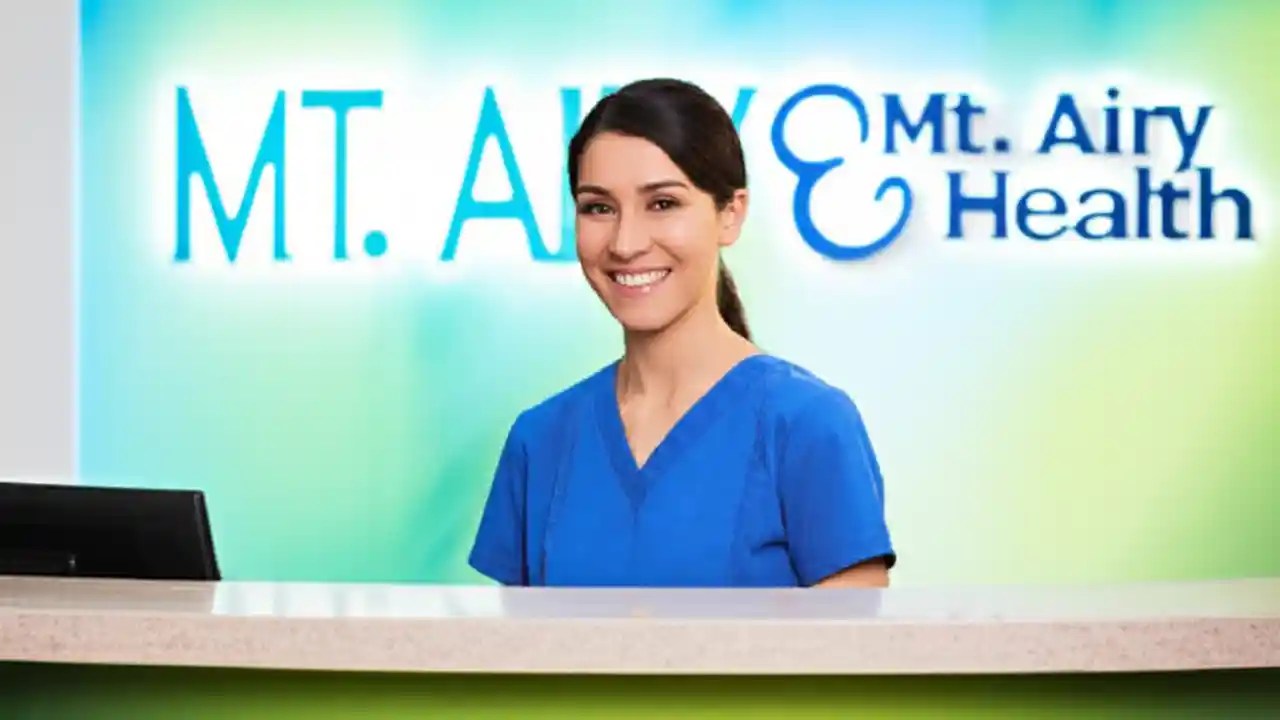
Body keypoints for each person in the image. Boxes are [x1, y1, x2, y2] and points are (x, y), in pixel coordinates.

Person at [468, 78, 895, 588]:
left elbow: (854, 659)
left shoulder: (808, 425)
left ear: (730, 214)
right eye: (598, 207)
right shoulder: (540, 442)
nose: (625, 243)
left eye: (663, 204)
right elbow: (510, 659)